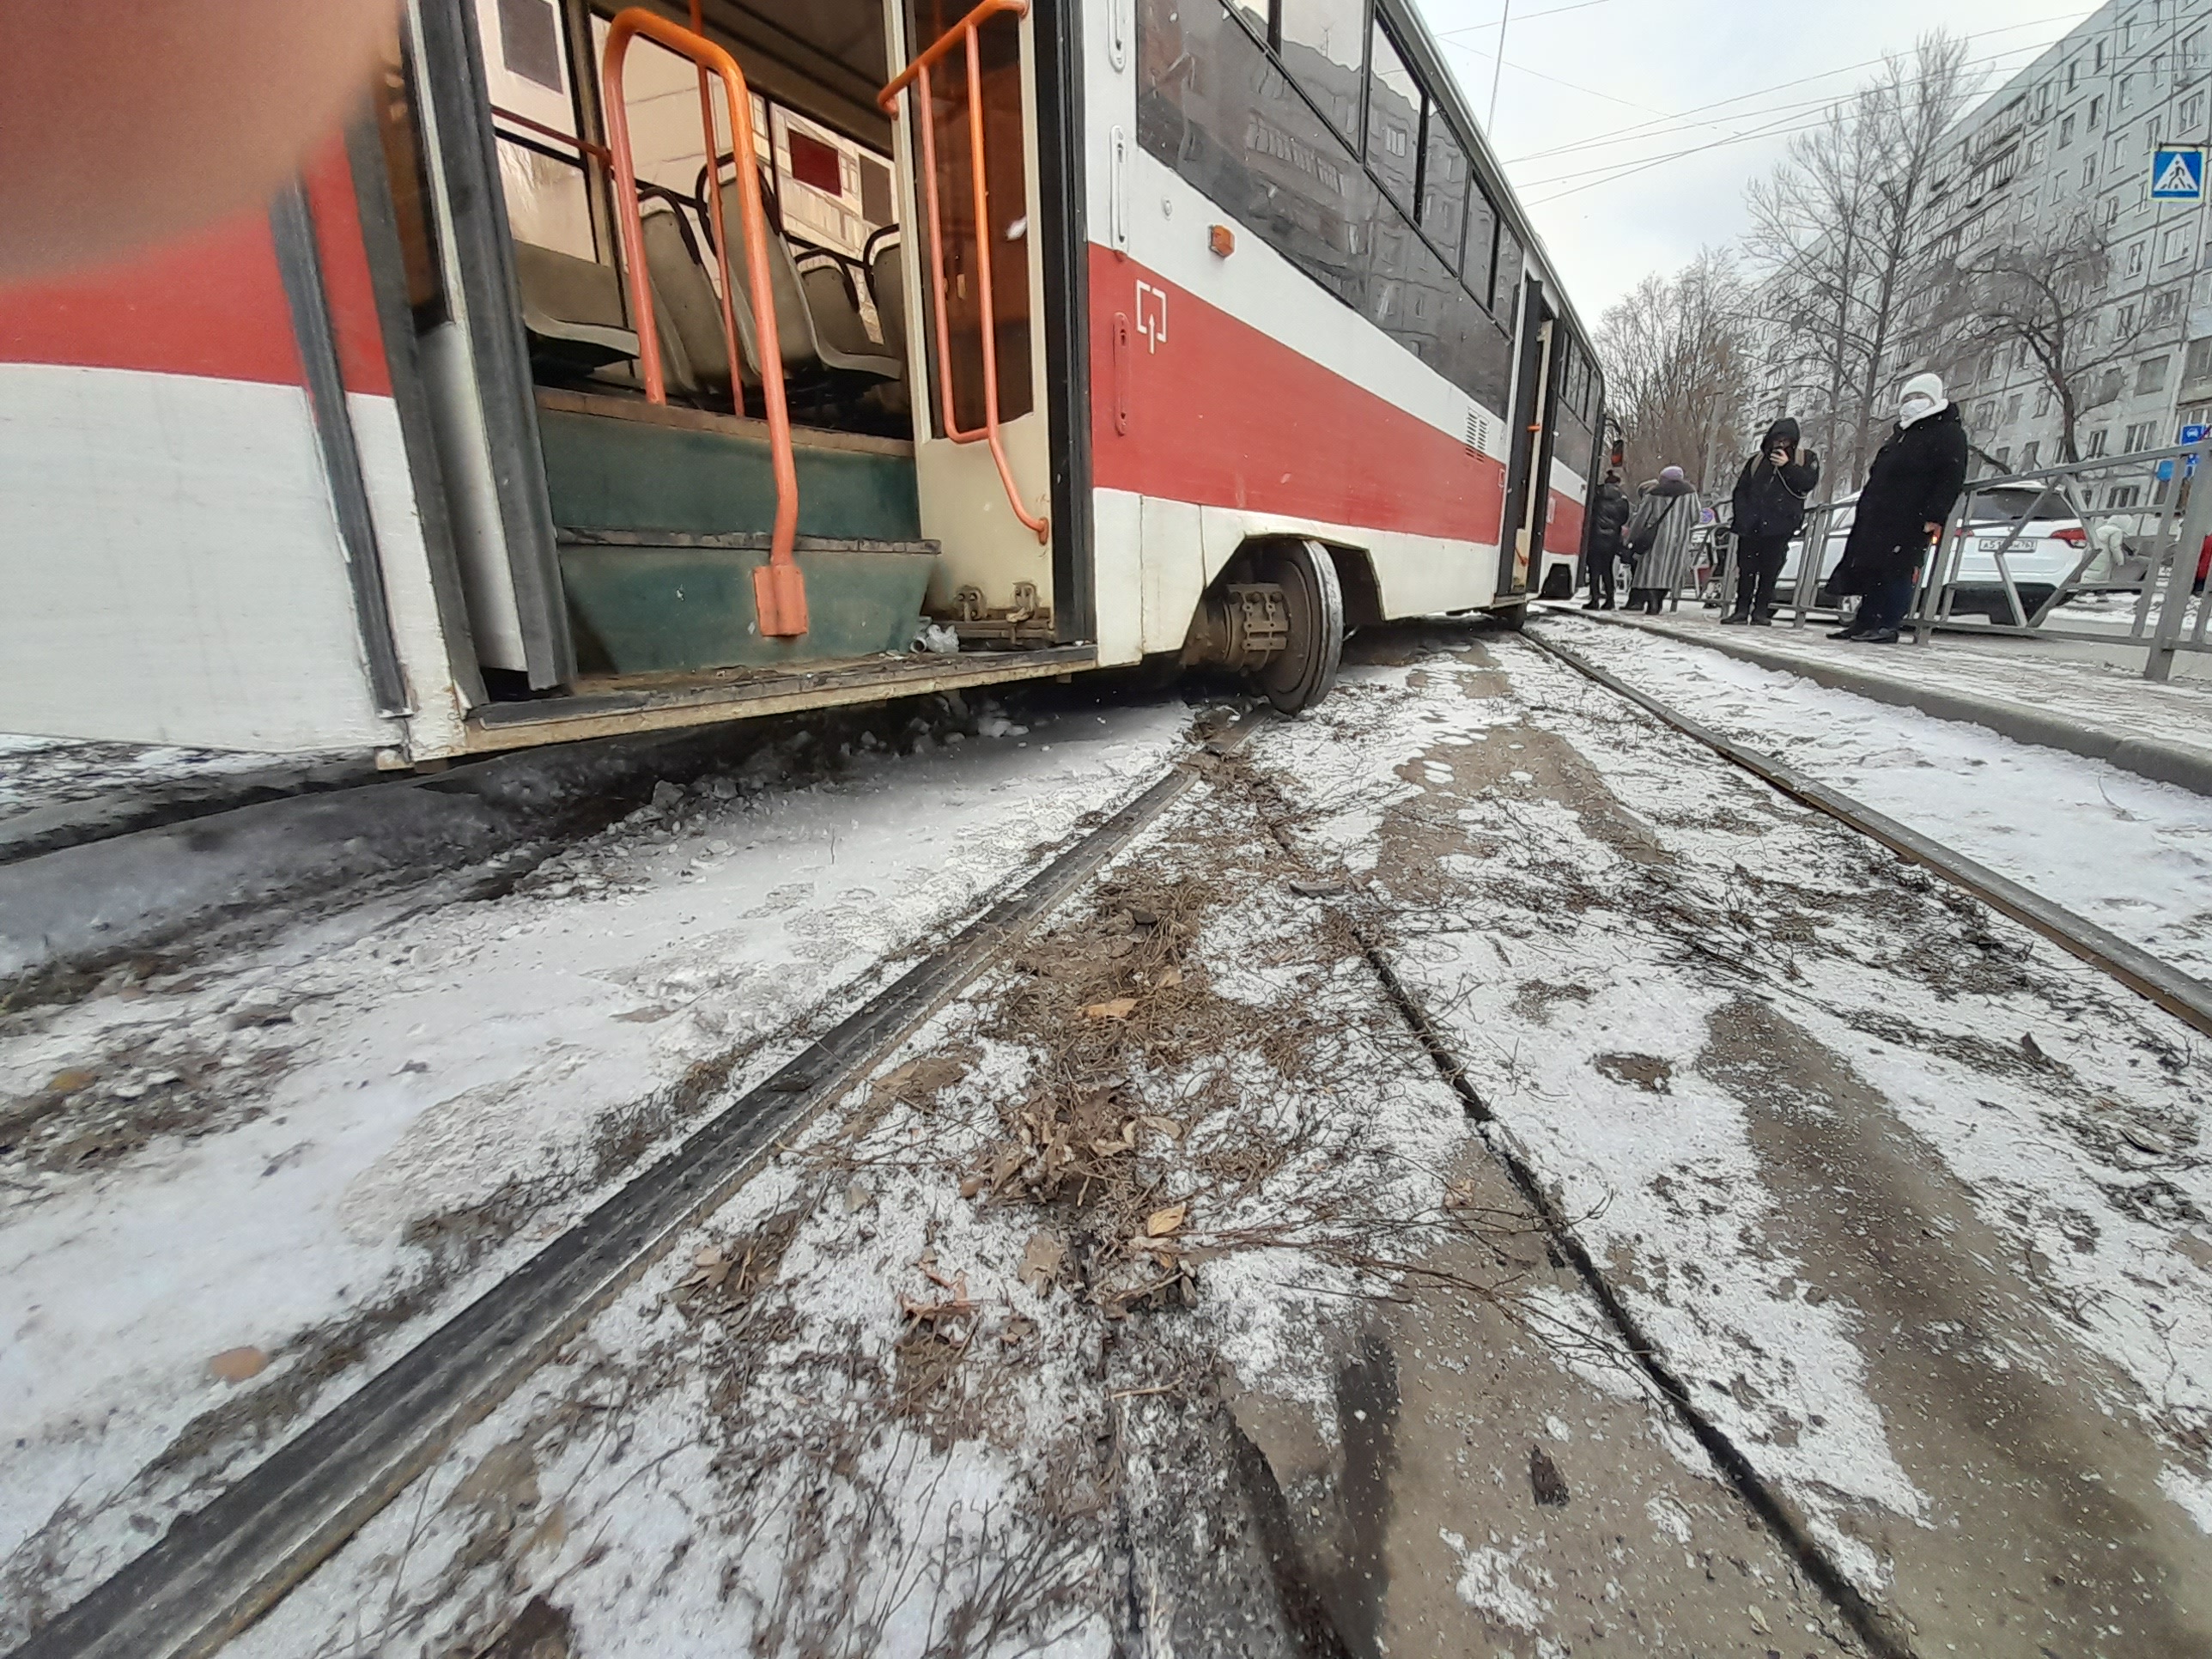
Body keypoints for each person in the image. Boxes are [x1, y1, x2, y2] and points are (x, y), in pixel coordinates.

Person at [1827, 374, 1970, 644]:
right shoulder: (1902, 435)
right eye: (1907, 399)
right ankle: (1865, 621)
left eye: (1919, 398)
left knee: (1897, 569)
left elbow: (1951, 476)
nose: (1912, 404)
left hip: (1910, 515)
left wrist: (1935, 515)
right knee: (1872, 568)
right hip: (1879, 515)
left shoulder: (1947, 433)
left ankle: (1888, 624)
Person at [1723, 418, 1820, 625]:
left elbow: (1807, 483)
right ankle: (1741, 609)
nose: (1780, 445)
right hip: (1752, 524)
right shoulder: (1757, 461)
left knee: (1770, 569)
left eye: (1786, 440)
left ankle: (1761, 611)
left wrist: (1787, 467)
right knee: (1746, 568)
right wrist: (1743, 515)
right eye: (1777, 440)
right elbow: (1741, 490)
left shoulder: (1805, 458)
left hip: (1780, 525)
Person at [1620, 465, 1705, 615]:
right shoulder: (1690, 494)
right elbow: (1696, 517)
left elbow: (1641, 518)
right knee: (1669, 573)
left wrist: (1631, 539)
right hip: (1679, 541)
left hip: (1655, 540)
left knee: (1652, 573)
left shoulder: (1654, 493)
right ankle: (1659, 601)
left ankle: (1653, 603)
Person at [1583, 471, 1631, 610]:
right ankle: (1610, 599)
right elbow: (1624, 518)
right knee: (1607, 569)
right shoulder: (1622, 499)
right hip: (1611, 538)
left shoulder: (1596, 494)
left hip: (1594, 536)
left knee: (1594, 570)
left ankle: (1595, 599)